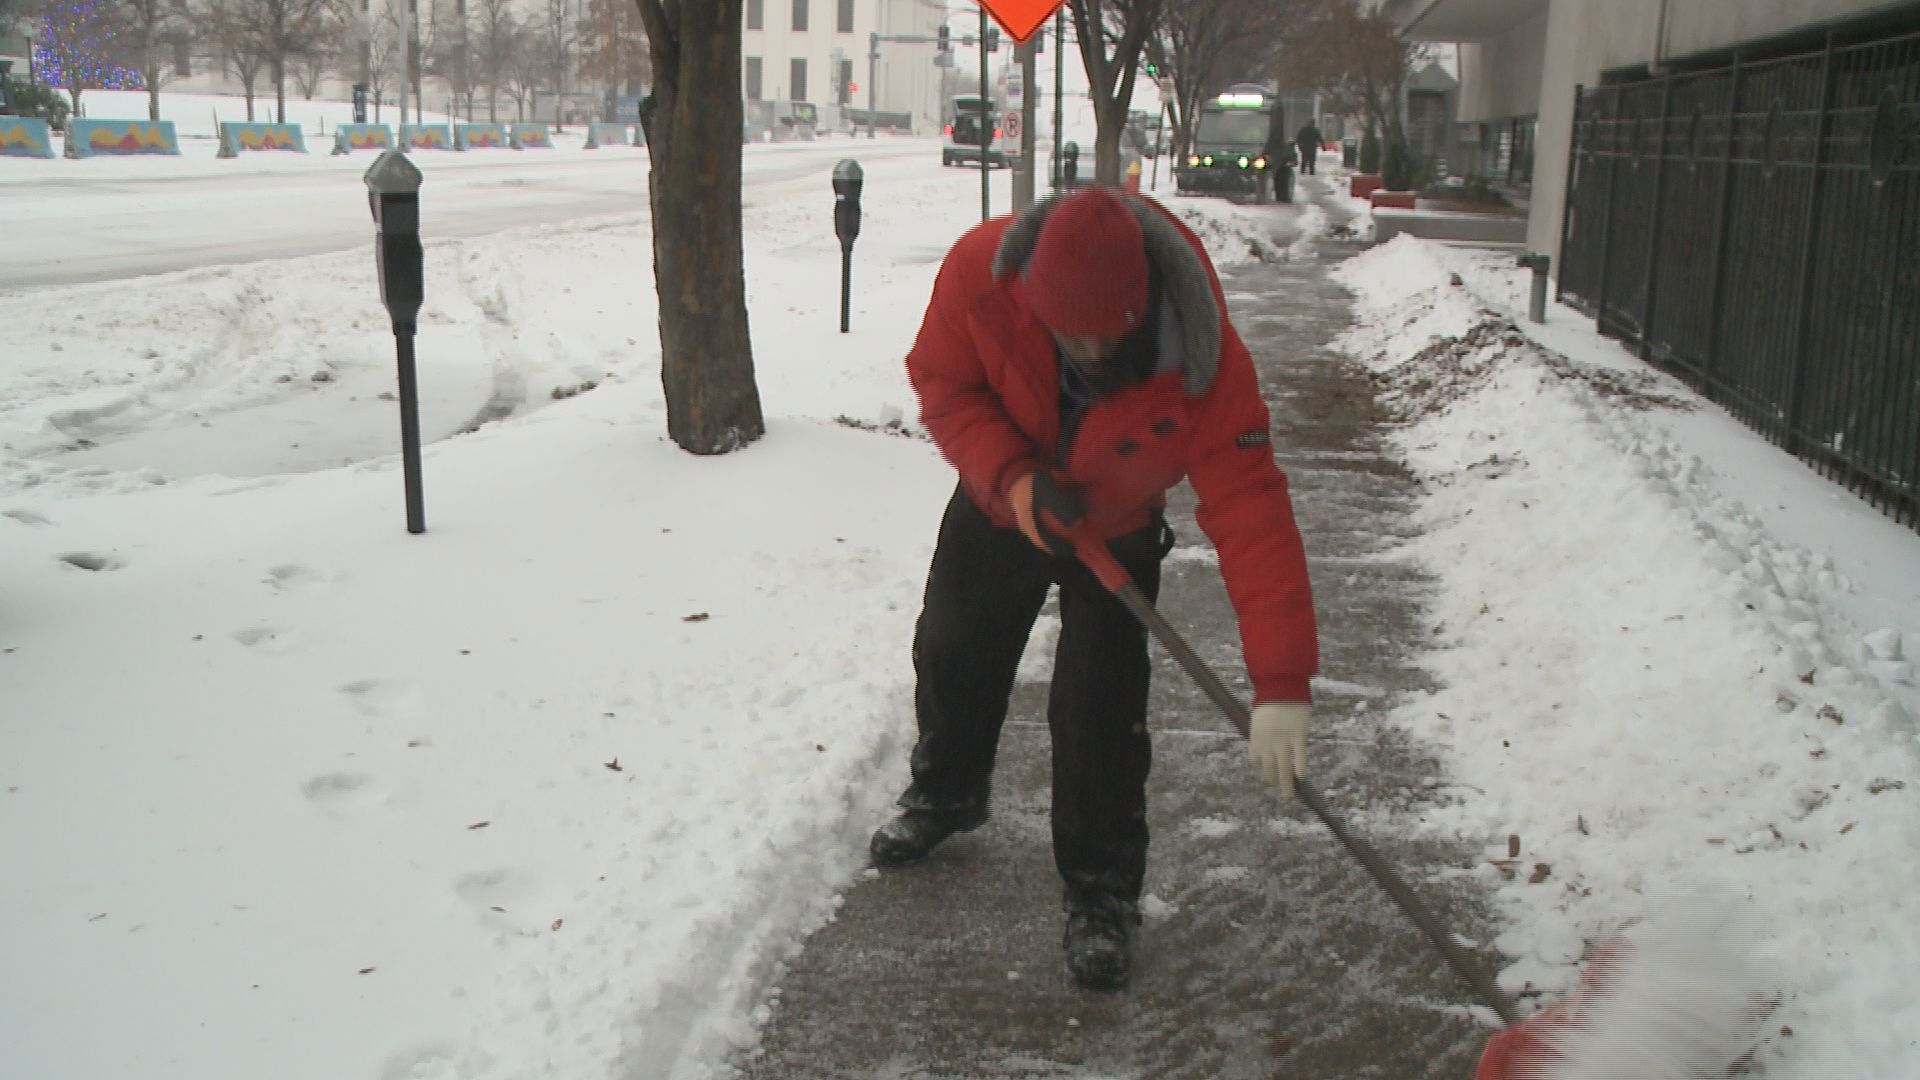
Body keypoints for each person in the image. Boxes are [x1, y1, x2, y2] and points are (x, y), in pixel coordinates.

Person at [870, 185, 1319, 990]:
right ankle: (949, 788)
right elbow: (943, 383)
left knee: (1099, 708)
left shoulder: (1203, 357)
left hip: (1115, 520)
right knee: (953, 645)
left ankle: (1102, 892)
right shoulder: (982, 270)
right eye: (1062, 330)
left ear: (1138, 308)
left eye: (1099, 335)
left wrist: (1281, 683)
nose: (1080, 346)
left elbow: (1251, 510)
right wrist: (1011, 479)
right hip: (1008, 496)